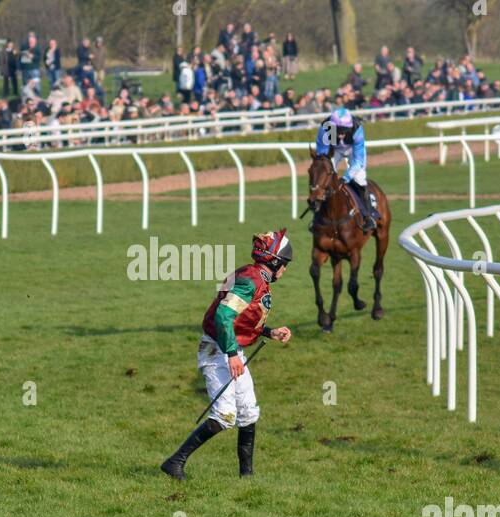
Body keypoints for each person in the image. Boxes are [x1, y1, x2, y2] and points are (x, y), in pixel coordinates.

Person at [160, 229, 293, 481]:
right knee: (225, 416)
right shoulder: (251, 281)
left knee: (248, 412)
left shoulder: (253, 276)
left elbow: (240, 319)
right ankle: (174, 462)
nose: (285, 270)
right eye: (284, 264)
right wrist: (232, 354)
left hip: (228, 349)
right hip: (218, 351)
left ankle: (247, 476)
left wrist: (269, 332)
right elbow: (223, 316)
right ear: (274, 261)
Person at [315, 107, 377, 231]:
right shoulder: (325, 128)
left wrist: (345, 178)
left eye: (345, 130)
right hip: (335, 149)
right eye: (339, 130)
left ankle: (368, 216)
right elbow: (323, 156)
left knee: (359, 178)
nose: (342, 133)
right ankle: (318, 213)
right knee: (324, 176)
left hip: (352, 150)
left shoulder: (357, 128)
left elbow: (358, 161)